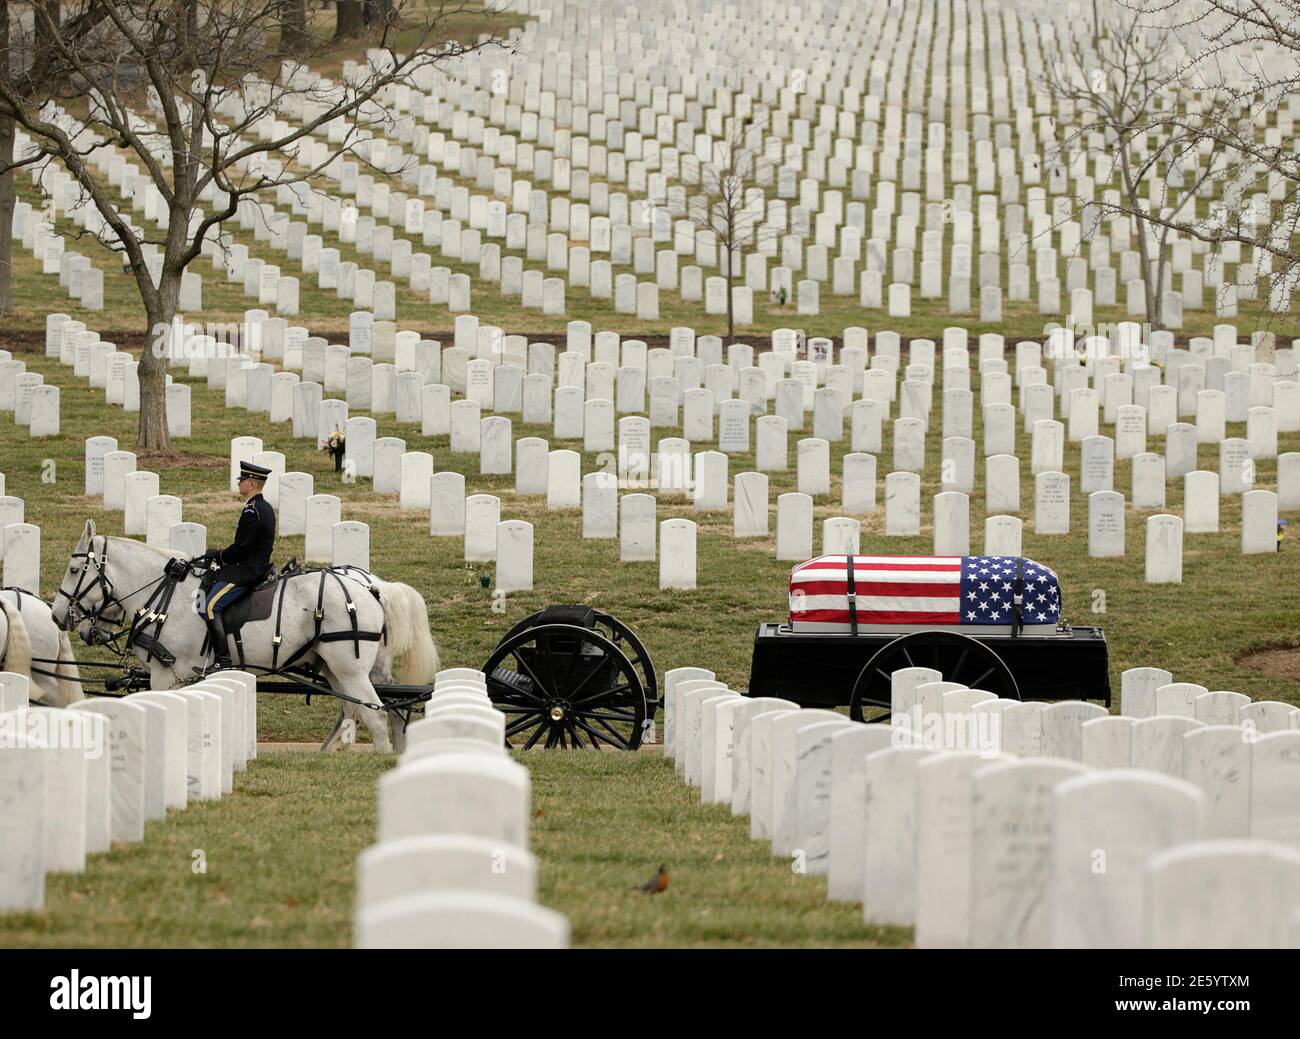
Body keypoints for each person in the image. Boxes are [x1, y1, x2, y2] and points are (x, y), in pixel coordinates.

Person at [192, 460, 277, 673]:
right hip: (249, 565)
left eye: (242, 480)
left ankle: (223, 659)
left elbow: (241, 548)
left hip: (248, 571)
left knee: (210, 606)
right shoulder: (261, 507)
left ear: (252, 484)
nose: (239, 483)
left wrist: (218, 555)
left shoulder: (253, 510)